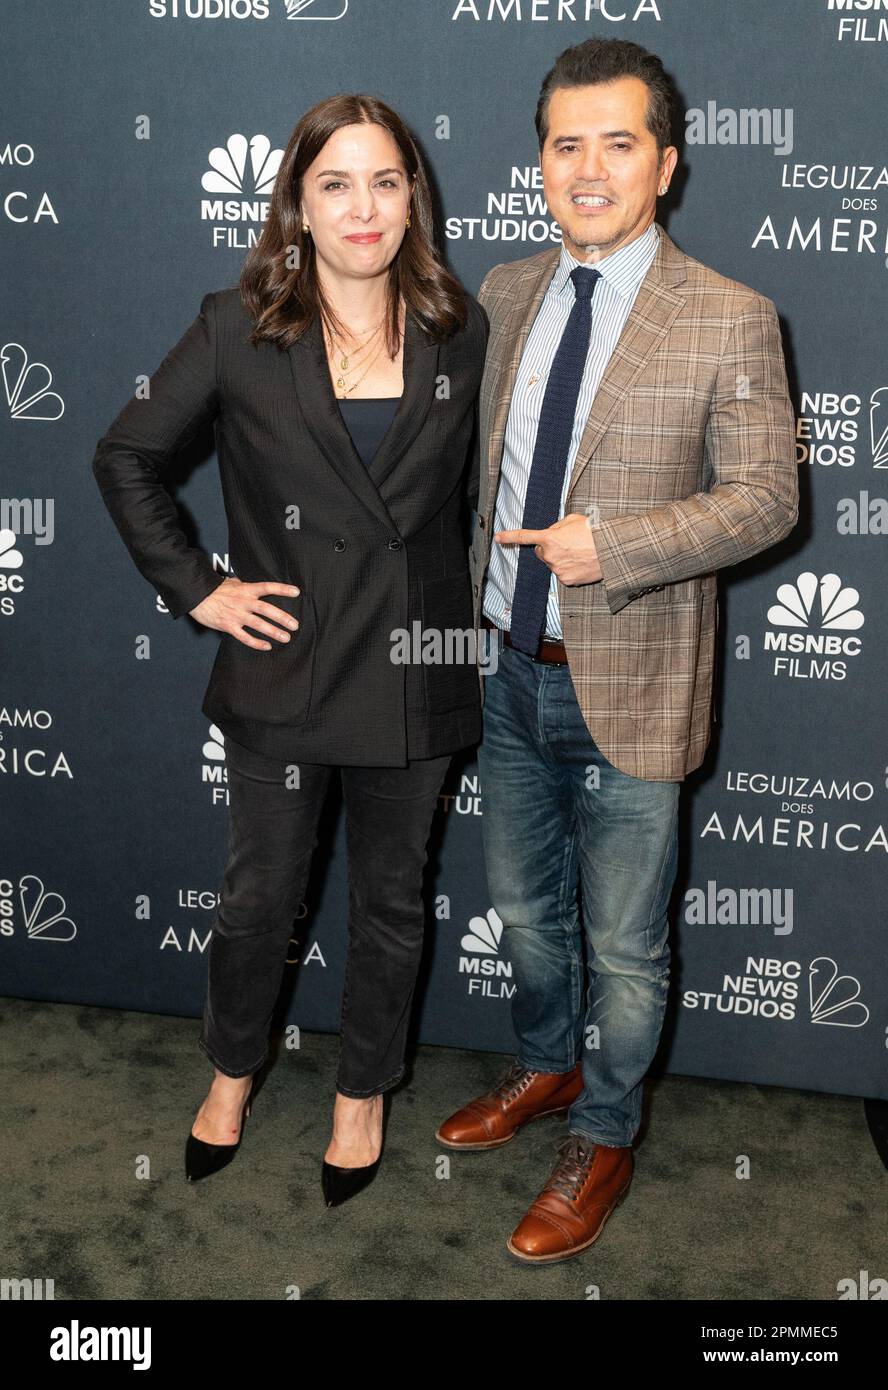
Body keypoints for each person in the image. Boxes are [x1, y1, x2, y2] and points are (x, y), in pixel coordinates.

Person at [437, 38, 798, 1263]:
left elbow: (766, 501)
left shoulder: (733, 314)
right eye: (565, 143)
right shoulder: (505, 291)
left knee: (628, 947)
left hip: (635, 686)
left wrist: (621, 545)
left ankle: (602, 1129)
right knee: (529, 921)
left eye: (618, 142)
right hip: (504, 670)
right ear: (541, 160)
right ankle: (543, 1067)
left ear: (668, 163)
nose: (588, 168)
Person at [92, 93, 487, 1207]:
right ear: (297, 206)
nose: (364, 208)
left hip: (415, 666)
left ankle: (362, 1095)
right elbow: (124, 457)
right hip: (287, 664)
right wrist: (202, 591)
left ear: (415, 196)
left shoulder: (466, 327)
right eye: (335, 184)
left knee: (393, 903)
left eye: (386, 181)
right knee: (259, 899)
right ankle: (231, 1073)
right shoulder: (238, 324)